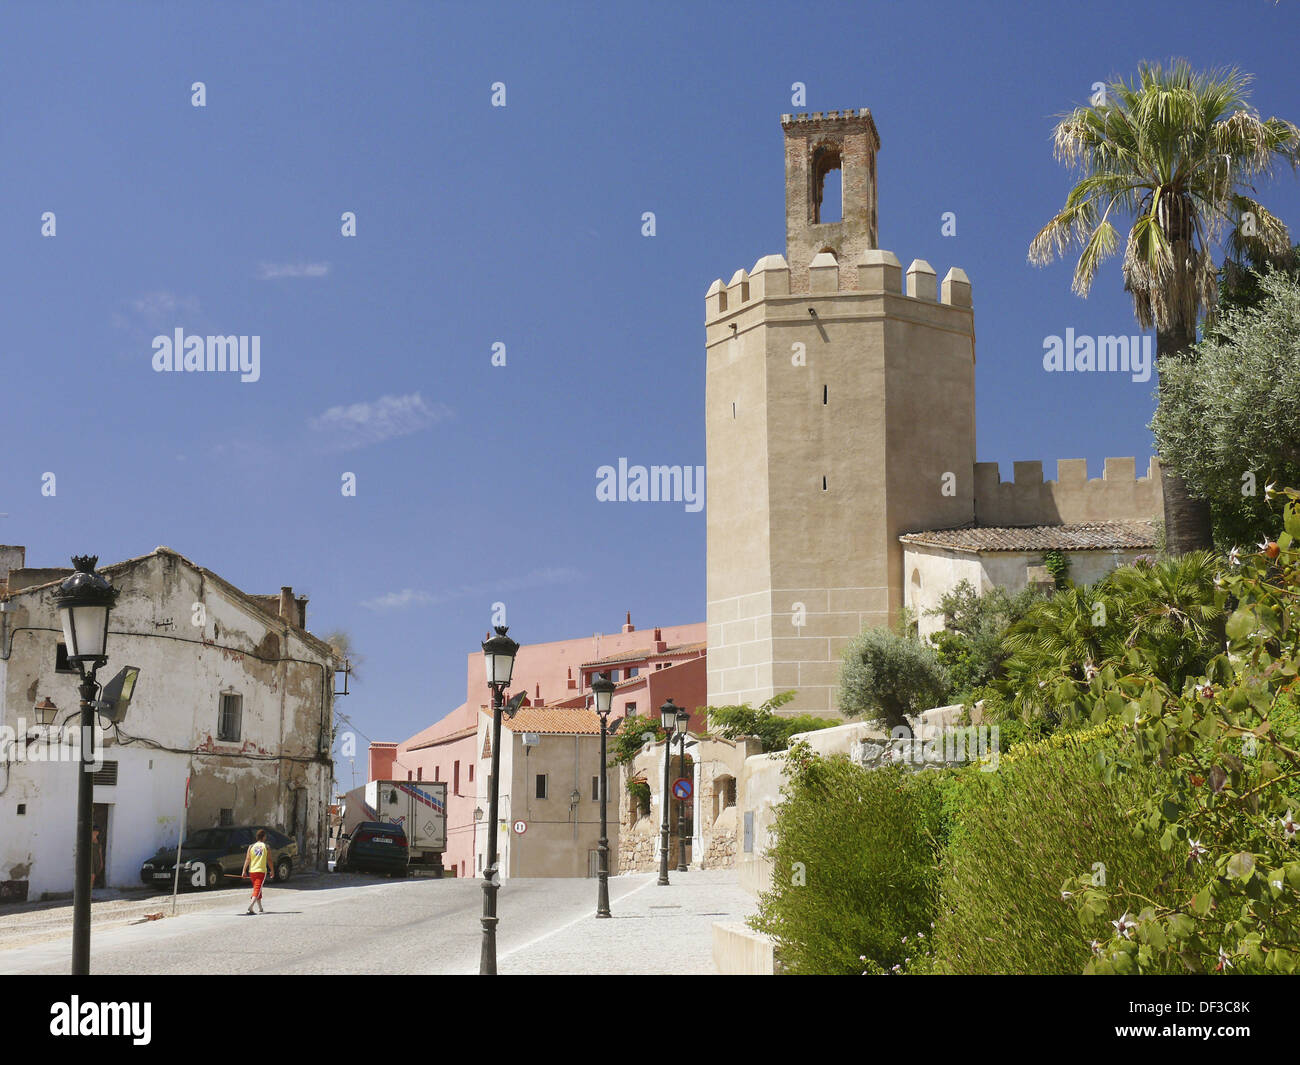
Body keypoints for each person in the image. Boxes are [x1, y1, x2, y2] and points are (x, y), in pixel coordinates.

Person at [240, 829, 274, 914]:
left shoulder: (251, 846)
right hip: (261, 871)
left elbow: (247, 859)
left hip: (252, 871)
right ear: (264, 837)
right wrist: (272, 870)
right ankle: (250, 907)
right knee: (257, 889)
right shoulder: (266, 846)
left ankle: (260, 908)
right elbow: (269, 860)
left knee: (258, 888)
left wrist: (244, 870)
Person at [90, 824, 105, 892]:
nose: (96, 833)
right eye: (95, 831)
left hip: (96, 859)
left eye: (97, 831)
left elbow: (100, 852)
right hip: (90, 859)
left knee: (94, 875)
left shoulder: (98, 841)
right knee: (92, 875)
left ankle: (91, 889)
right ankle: (89, 890)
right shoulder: (89, 840)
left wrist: (101, 862)